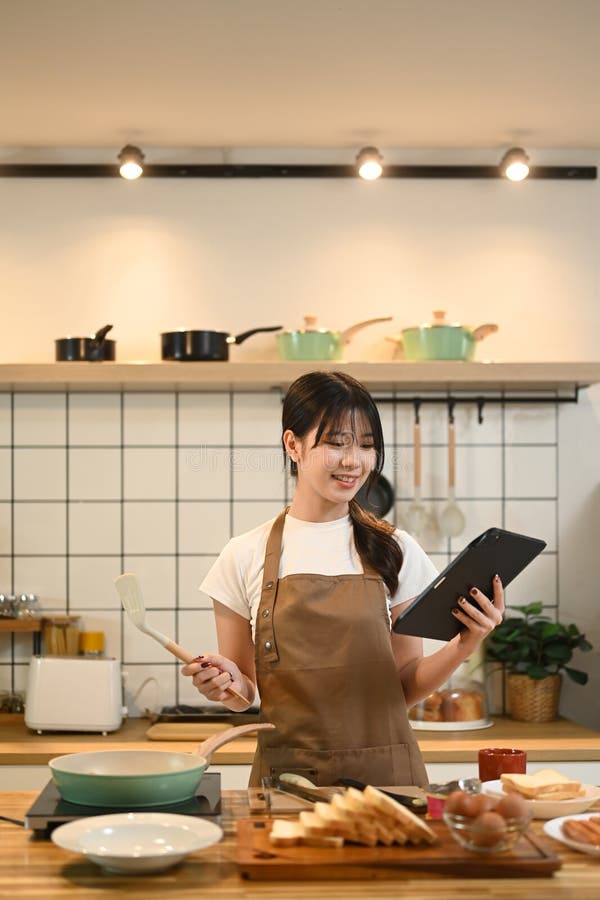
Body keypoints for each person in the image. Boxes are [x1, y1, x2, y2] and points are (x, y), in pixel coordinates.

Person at [182, 371, 504, 787]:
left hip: (388, 783)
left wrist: (467, 642)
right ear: (292, 444)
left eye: (367, 445)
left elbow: (404, 684)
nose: (354, 460)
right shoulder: (241, 555)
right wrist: (222, 683)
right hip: (288, 784)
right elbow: (245, 693)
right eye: (337, 443)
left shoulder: (395, 549)